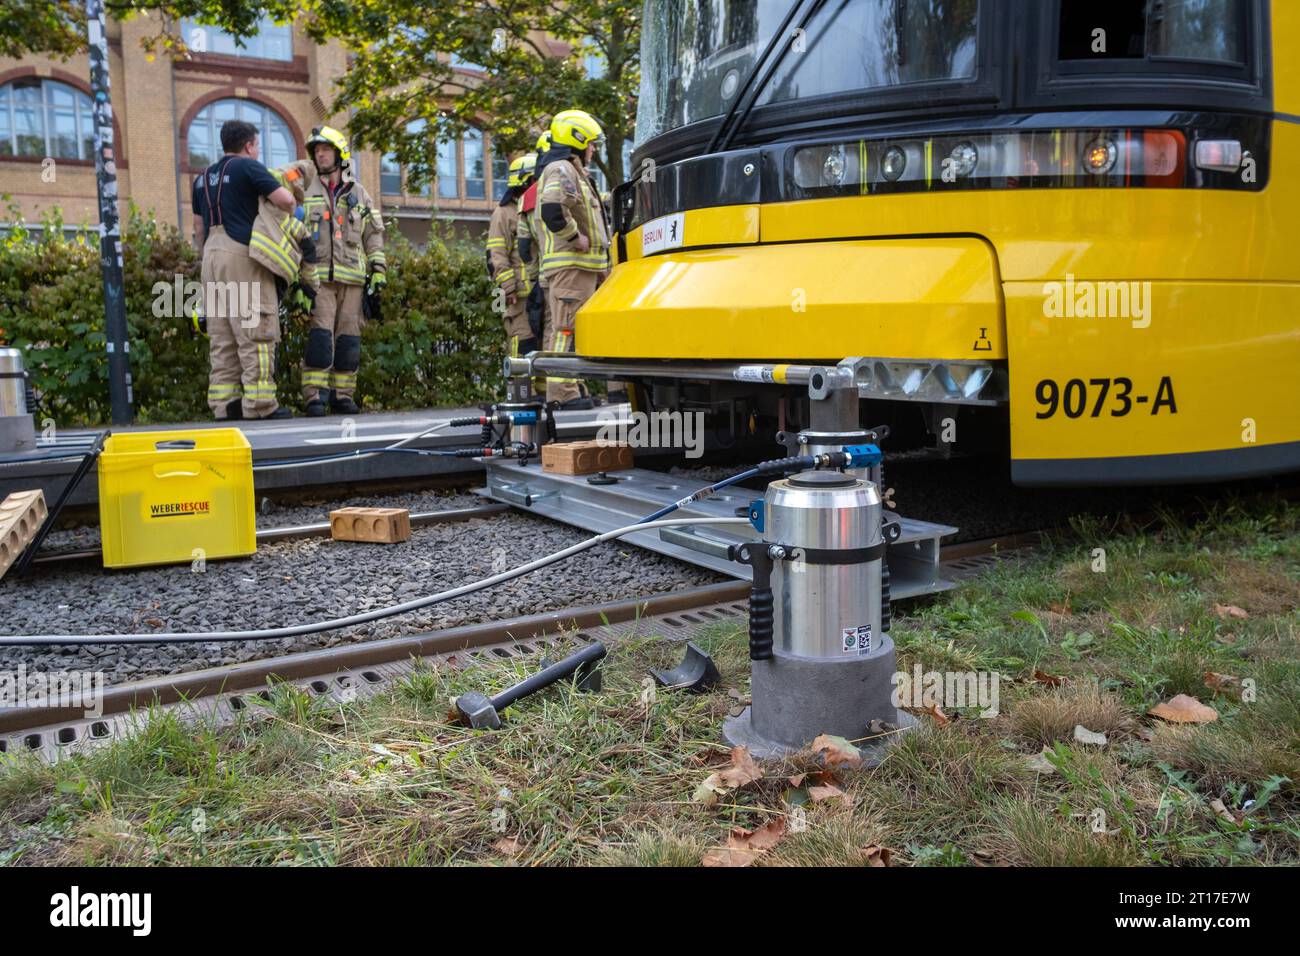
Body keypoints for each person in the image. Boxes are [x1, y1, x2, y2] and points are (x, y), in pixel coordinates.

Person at [192, 119, 297, 420]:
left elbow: (198, 226)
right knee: (256, 331)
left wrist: (207, 258)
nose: (258, 151)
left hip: (211, 254)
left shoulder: (203, 177)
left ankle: (224, 407)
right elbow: (286, 200)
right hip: (242, 254)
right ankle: (260, 406)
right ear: (249, 145)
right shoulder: (249, 168)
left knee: (221, 336)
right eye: (257, 146)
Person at [299, 126, 386, 416]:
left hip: (353, 279)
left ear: (339, 154)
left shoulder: (359, 193)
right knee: (320, 339)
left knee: (349, 341)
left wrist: (378, 270)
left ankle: (343, 396)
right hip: (319, 278)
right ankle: (314, 397)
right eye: (317, 150)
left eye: (326, 149)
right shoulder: (306, 190)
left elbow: (373, 233)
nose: (320, 154)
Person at [536, 110, 611, 409]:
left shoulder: (574, 172)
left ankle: (573, 386)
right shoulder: (561, 169)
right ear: (577, 140)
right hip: (571, 266)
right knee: (564, 330)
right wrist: (574, 237)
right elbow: (552, 210)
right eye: (591, 144)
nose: (593, 149)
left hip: (583, 268)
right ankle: (562, 393)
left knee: (572, 331)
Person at [486, 153, 538, 376]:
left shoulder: (533, 209)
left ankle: (542, 392)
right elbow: (496, 254)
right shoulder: (504, 213)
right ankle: (520, 391)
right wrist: (507, 288)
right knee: (522, 341)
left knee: (539, 345)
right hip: (518, 295)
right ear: (526, 181)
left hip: (538, 291)